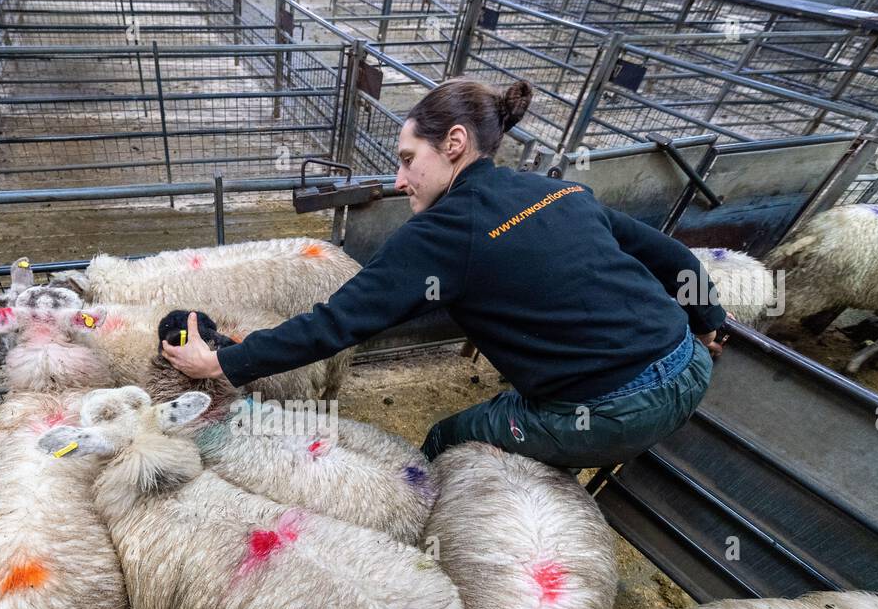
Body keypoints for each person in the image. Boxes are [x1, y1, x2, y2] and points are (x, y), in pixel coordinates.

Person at [162, 79, 731, 468]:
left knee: (443, 437)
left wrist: (223, 361)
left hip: (612, 414)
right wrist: (708, 323)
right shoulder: (556, 190)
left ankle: (434, 529)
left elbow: (337, 323)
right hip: (692, 367)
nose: (400, 179)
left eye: (409, 159)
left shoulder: (442, 234)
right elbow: (675, 258)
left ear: (454, 144)